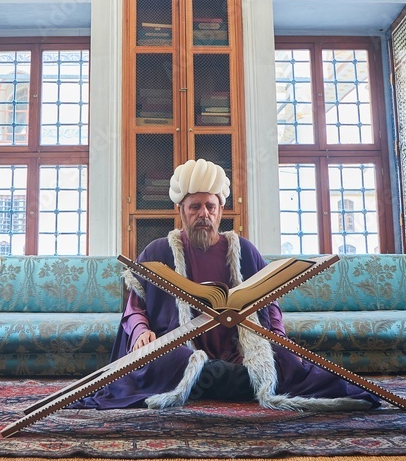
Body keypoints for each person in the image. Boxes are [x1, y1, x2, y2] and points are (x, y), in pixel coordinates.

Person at [76, 158, 380, 412]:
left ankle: (214, 381)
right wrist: (141, 332)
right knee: (165, 358)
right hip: (182, 347)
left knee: (284, 361)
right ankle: (233, 382)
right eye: (195, 207)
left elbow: (269, 302)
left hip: (238, 346)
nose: (204, 215)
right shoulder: (157, 251)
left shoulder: (244, 250)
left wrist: (276, 335)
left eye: (210, 206)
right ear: (180, 210)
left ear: (221, 210)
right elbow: (134, 306)